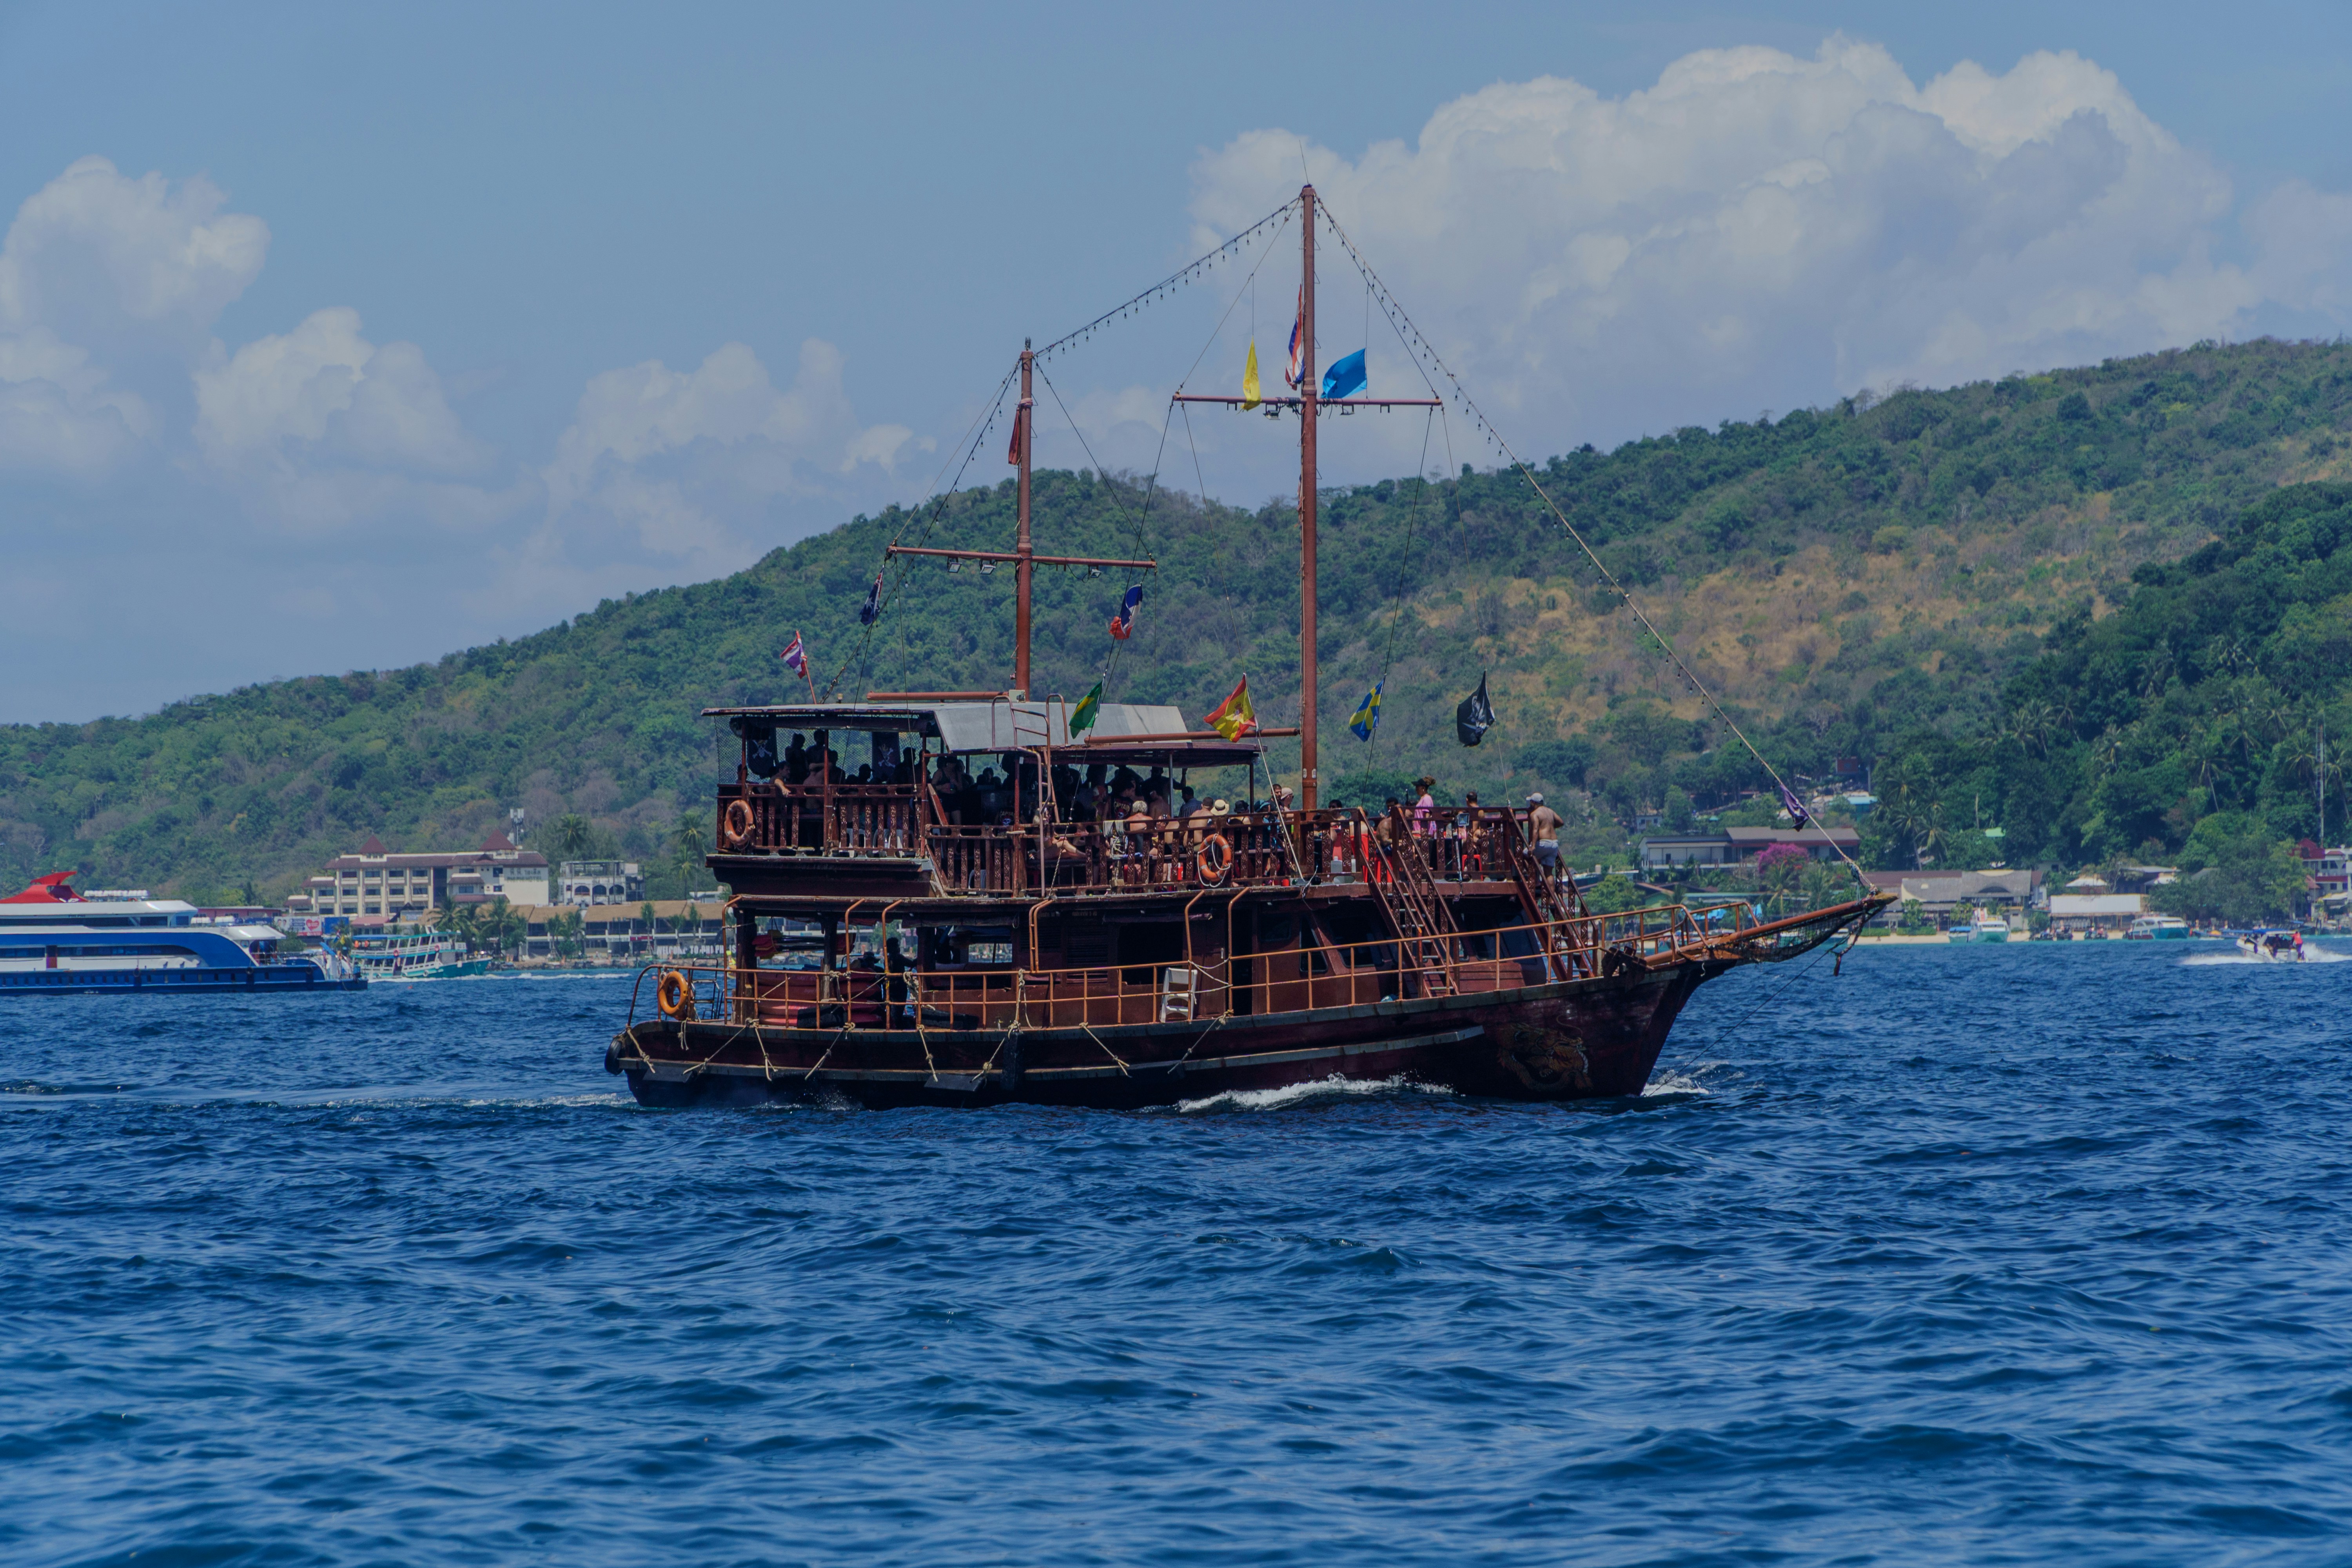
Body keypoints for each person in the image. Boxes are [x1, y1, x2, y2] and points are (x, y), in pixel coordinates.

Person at [1526, 792, 1564, 878]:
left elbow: (1536, 829)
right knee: (1549, 873)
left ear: (1534, 803)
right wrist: (1551, 827)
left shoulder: (1535, 814)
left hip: (1544, 844)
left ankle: (1535, 880)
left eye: (1531, 803)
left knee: (1524, 855)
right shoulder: (1550, 811)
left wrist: (1533, 846)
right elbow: (1561, 822)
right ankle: (1551, 892)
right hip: (1554, 844)